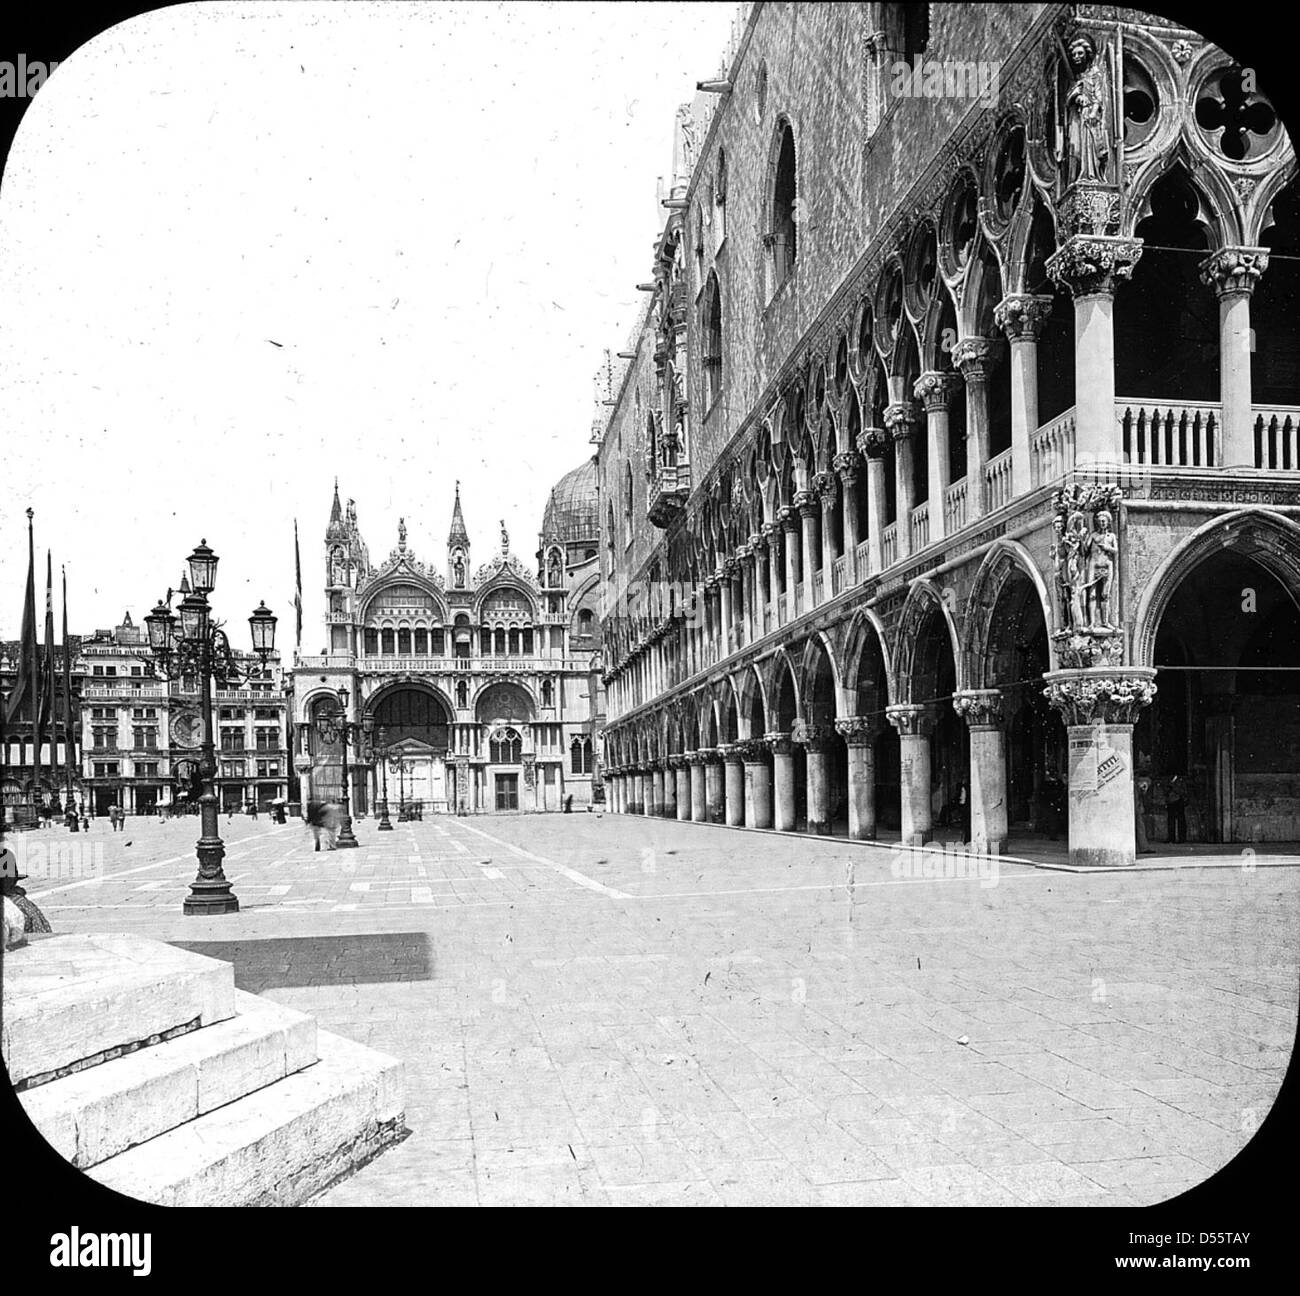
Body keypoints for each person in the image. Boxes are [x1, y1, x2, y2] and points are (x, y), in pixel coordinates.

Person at [1166, 773, 1188, 844]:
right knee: (1171, 820)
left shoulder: (1181, 781)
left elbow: (1183, 791)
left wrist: (1173, 787)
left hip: (1178, 801)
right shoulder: (1169, 780)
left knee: (1181, 820)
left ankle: (1182, 838)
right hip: (1170, 801)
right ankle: (1171, 838)